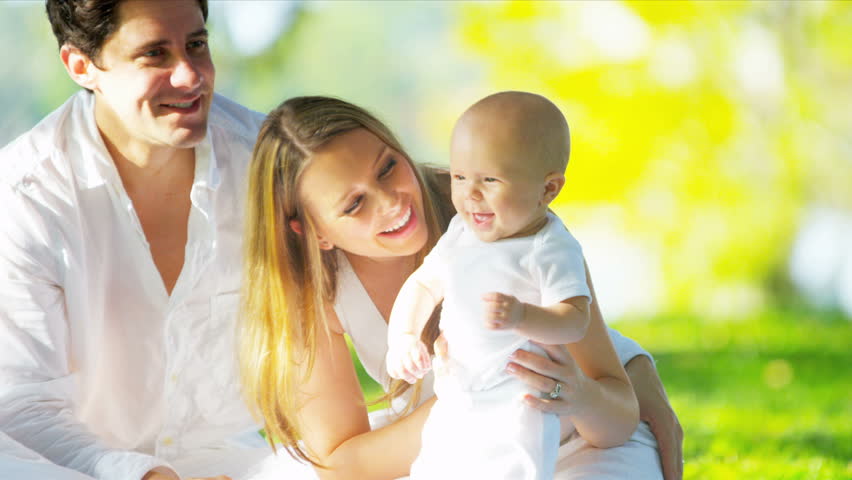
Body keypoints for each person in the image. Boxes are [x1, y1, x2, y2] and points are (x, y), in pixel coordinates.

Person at [240, 95, 682, 479]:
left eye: (388, 167)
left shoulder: (493, 213)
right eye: (355, 204)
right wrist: (478, 403)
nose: (392, 202)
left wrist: (630, 373)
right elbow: (341, 463)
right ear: (314, 231)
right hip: (460, 439)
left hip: (572, 422)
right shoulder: (313, 290)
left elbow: (584, 341)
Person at [0, 1, 313, 479]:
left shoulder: (266, 161)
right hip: (78, 468)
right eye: (154, 54)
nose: (191, 77)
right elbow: (23, 408)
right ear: (83, 67)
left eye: (197, 45)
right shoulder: (26, 197)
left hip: (241, 464)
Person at [385, 91, 622, 479]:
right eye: (460, 177)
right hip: (457, 393)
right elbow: (424, 285)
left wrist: (523, 315)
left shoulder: (550, 247)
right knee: (435, 465)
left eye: (490, 180)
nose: (469, 194)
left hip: (519, 402)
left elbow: (575, 319)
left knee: (510, 470)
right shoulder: (462, 232)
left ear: (548, 189)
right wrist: (405, 336)